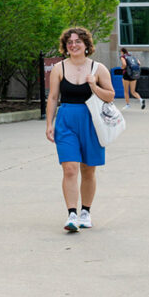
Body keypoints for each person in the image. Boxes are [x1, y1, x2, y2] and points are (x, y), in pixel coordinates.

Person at [45, 27, 115, 232]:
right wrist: (49, 123)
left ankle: (86, 211)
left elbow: (110, 95)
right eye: (69, 42)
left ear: (86, 45)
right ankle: (71, 215)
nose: (73, 45)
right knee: (69, 168)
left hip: (92, 121)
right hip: (66, 120)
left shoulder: (98, 68)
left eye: (77, 41)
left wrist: (94, 86)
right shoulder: (59, 68)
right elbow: (53, 98)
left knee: (88, 169)